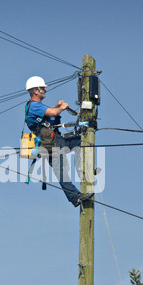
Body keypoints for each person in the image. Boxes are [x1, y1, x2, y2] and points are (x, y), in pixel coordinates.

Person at [24, 76, 94, 207]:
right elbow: (52, 113)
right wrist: (61, 108)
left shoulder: (36, 106)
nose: (45, 90)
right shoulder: (34, 105)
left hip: (55, 140)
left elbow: (49, 118)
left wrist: (56, 107)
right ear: (36, 91)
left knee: (82, 141)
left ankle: (82, 170)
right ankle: (74, 197)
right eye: (43, 88)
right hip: (49, 143)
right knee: (60, 170)